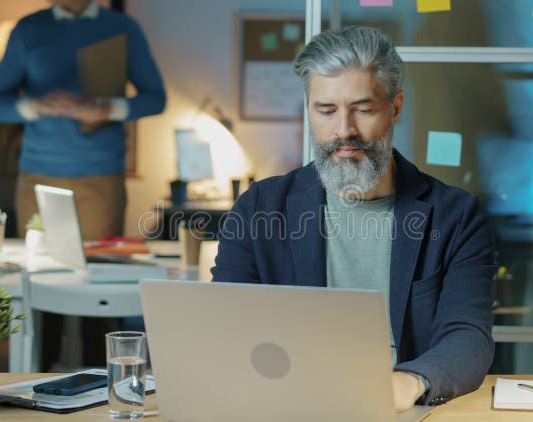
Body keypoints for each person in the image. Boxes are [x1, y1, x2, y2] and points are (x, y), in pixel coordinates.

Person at [212, 26, 495, 410]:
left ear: (395, 107)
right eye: (326, 110)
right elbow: (224, 326)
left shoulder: (456, 216)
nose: (343, 130)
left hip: (404, 409)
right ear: (309, 109)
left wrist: (406, 383)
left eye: (363, 109)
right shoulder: (259, 208)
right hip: (287, 407)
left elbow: (468, 338)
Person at [0, 0, 166, 240]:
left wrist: (108, 109)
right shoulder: (28, 29)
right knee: (37, 265)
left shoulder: (123, 27)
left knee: (98, 268)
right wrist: (34, 105)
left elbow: (156, 99)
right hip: (38, 176)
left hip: (101, 178)